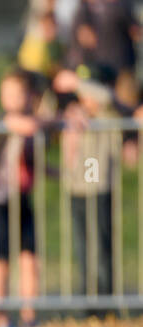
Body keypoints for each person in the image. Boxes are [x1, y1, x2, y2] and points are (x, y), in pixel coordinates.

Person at [0, 70, 45, 327]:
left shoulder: (30, 124)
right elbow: (28, 126)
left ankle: (29, 319)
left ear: (30, 96)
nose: (11, 99)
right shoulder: (5, 119)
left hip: (21, 199)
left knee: (30, 259)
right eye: (7, 93)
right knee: (1, 262)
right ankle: (1, 319)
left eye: (18, 93)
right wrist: (58, 120)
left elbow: (30, 161)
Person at [59, 74, 118, 302]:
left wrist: (74, 82)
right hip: (77, 191)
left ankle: (105, 301)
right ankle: (87, 301)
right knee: (83, 250)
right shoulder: (73, 116)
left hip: (99, 190)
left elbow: (106, 97)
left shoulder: (107, 116)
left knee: (102, 250)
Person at [69, 0, 139, 86]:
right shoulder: (85, 8)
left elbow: (135, 31)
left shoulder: (121, 5)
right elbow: (84, 35)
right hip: (100, 68)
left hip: (122, 67)